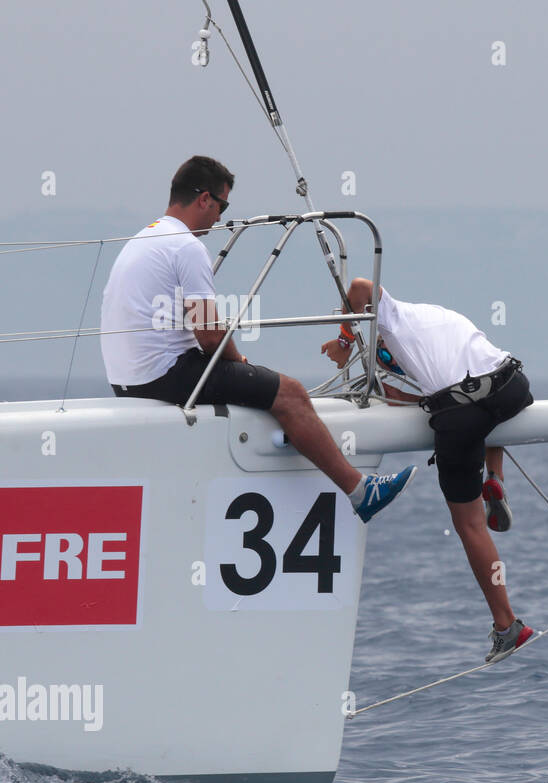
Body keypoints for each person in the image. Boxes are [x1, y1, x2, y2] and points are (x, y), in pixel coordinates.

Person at [100, 156, 414, 522]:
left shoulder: (145, 236)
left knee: (253, 384)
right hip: (165, 375)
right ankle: (361, 492)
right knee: (290, 393)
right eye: (222, 205)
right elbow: (212, 336)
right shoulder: (185, 246)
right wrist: (239, 362)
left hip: (125, 381)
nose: (220, 218)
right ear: (204, 199)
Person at [322, 278, 535, 663]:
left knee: (469, 524)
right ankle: (495, 479)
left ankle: (507, 626)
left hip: (462, 413)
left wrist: (343, 343)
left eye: (384, 358)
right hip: (511, 386)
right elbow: (439, 391)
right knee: (482, 411)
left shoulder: (392, 319)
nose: (389, 363)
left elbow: (358, 286)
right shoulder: (440, 318)